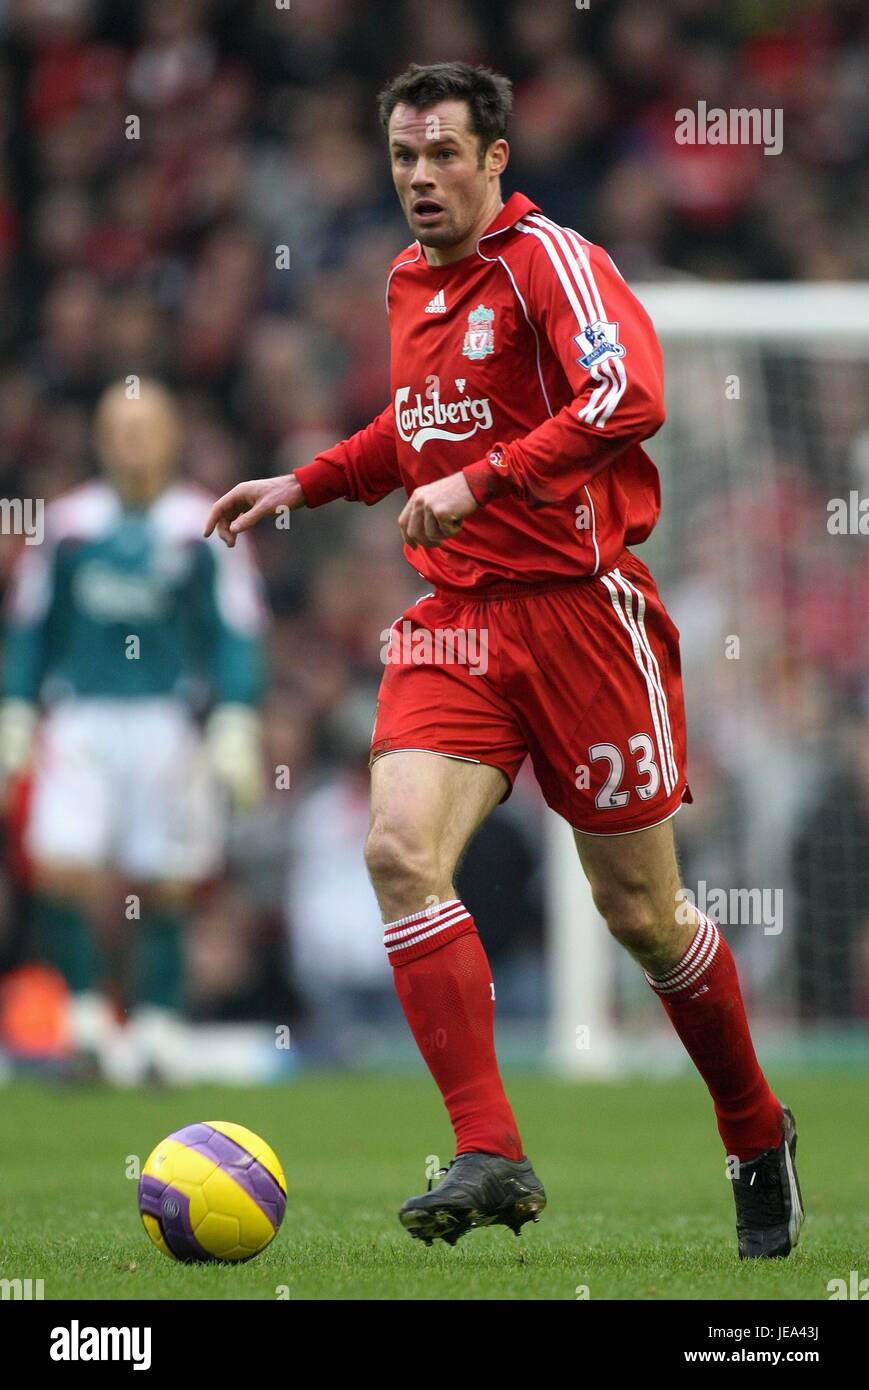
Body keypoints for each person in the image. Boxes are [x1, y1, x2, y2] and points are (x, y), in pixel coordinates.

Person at [205, 63, 803, 1258]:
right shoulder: (404, 282)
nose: (419, 178)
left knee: (640, 913)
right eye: (401, 160)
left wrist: (480, 481)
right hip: (460, 621)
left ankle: (752, 1128)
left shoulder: (550, 261)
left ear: (492, 160)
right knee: (395, 849)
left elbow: (627, 395)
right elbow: (418, 431)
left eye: (440, 157)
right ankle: (489, 1148)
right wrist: (308, 481)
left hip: (585, 618)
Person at [1, 378, 266, 1080]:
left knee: (170, 879)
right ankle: (86, 1023)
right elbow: (30, 625)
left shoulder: (202, 524)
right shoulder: (66, 525)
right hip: (81, 717)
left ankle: (157, 1030)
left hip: (167, 720)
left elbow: (235, 631)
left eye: (145, 428)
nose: (132, 442)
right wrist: (16, 707)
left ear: (173, 436)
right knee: (62, 867)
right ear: (99, 438)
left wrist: (236, 714)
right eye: (119, 428)